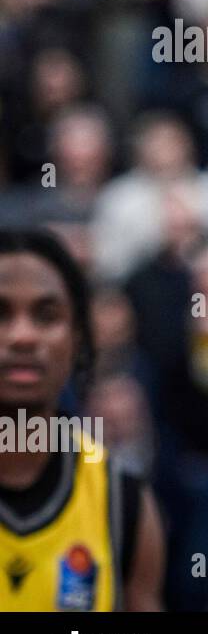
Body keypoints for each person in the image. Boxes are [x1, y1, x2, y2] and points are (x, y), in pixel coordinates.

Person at [0, 228, 164, 611]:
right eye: (0, 314)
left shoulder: (122, 499)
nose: (22, 336)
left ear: (77, 339)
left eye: (46, 315)